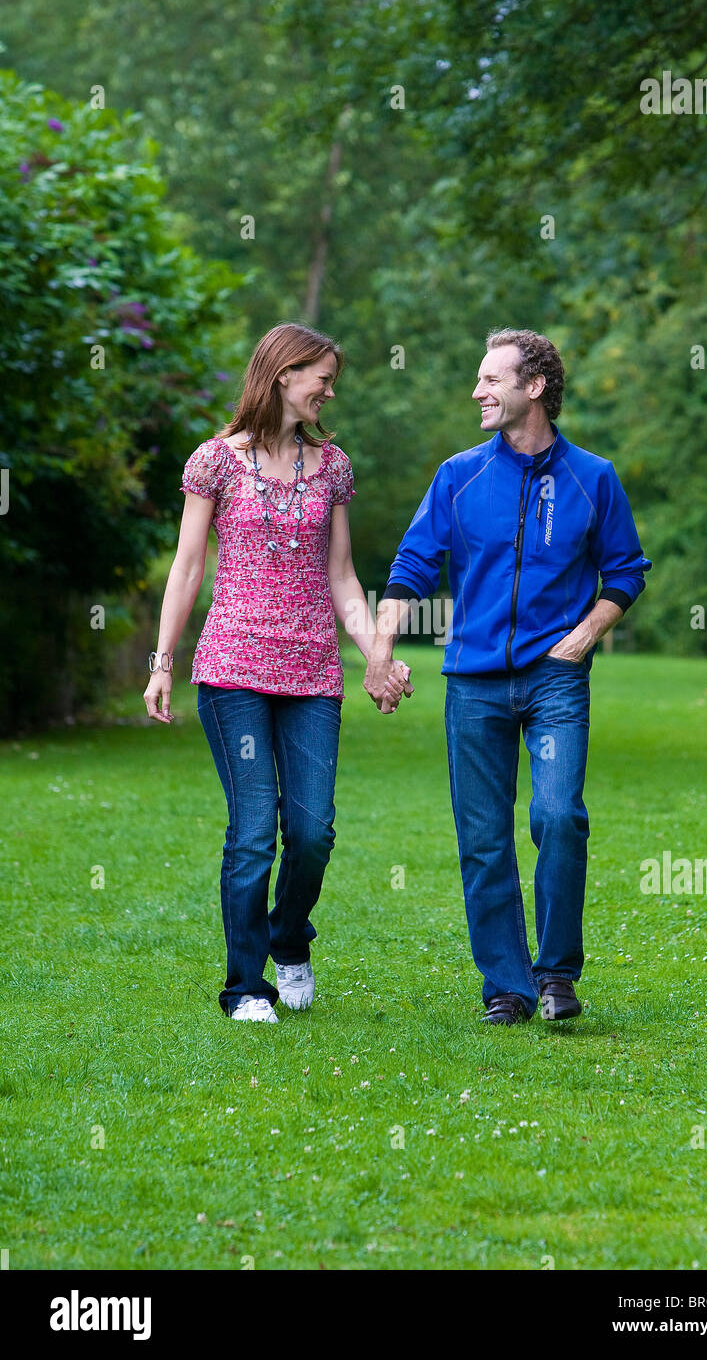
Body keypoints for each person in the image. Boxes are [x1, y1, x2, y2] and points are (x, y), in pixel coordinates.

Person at [364, 329, 651, 1026]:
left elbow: (625, 572)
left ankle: (555, 975)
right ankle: (507, 987)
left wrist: (579, 641)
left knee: (558, 817)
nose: (477, 392)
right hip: (473, 682)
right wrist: (380, 653)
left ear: (534, 388)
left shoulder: (593, 477)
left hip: (555, 680)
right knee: (483, 837)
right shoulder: (458, 475)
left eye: (491, 380)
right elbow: (409, 569)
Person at [144, 323, 409, 1023]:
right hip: (232, 669)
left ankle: (290, 937)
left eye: (331, 379)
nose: (329, 389)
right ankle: (244, 986)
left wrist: (374, 655)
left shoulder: (334, 467)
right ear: (283, 374)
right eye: (320, 376)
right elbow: (188, 567)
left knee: (314, 830)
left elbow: (343, 577)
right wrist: (162, 661)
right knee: (255, 829)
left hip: (313, 674)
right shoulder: (215, 462)